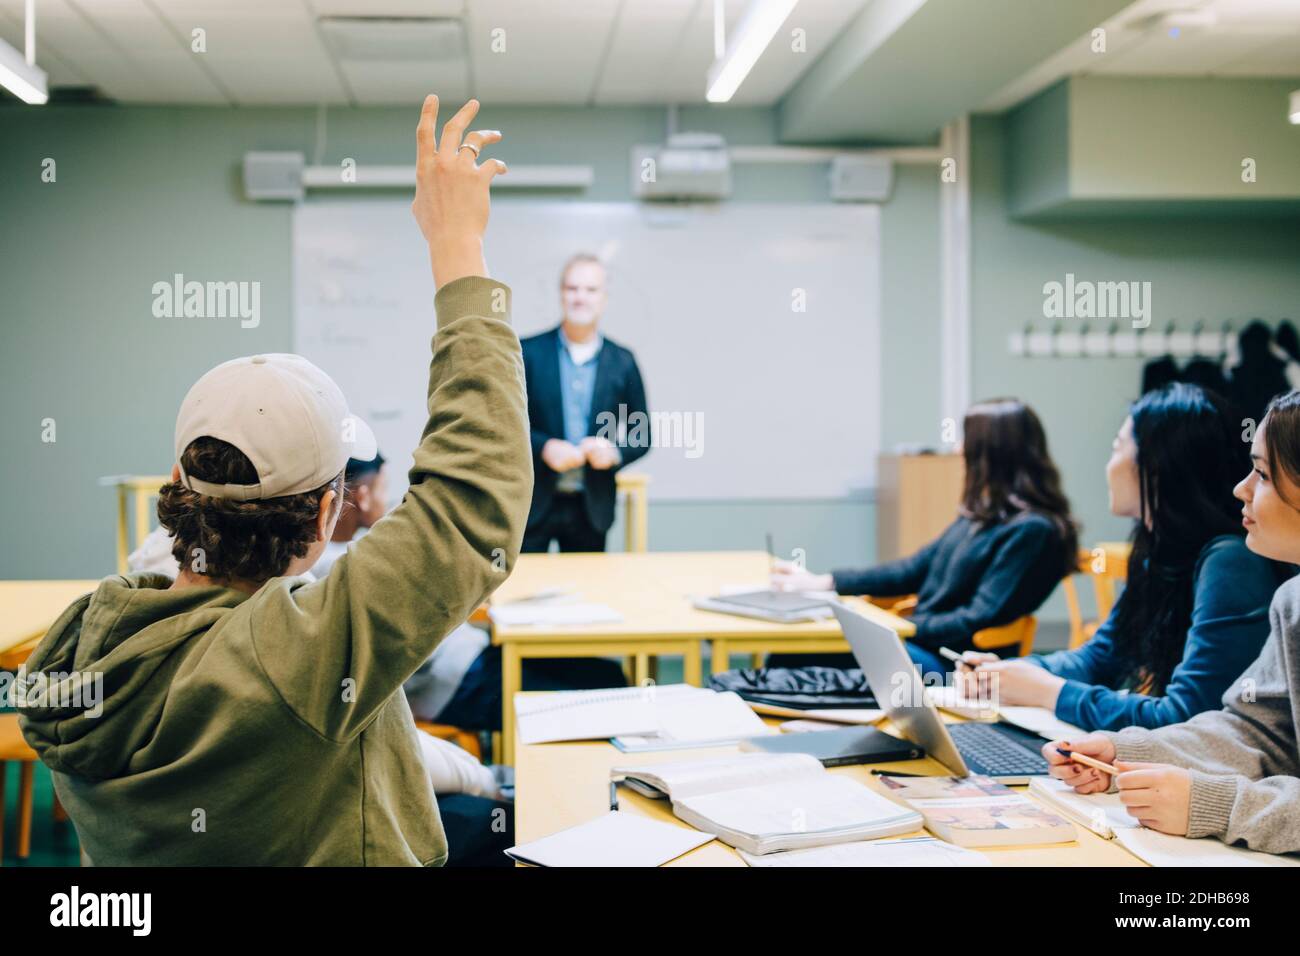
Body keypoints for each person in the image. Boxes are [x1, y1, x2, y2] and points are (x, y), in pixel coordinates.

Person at [18, 95, 529, 865]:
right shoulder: (303, 655)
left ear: (177, 488)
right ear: (328, 515)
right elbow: (474, 500)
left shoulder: (77, 649)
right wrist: (458, 244)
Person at [1042, 390, 1300, 854]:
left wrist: (1219, 805)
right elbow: (1260, 730)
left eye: (1261, 473)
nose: (1241, 488)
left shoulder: (1229, 562)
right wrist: (1128, 753)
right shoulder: (1293, 600)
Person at [959, 384, 1285, 732]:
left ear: (1156, 466)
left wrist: (1049, 692)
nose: (1108, 464)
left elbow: (1186, 717)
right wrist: (1014, 674)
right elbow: (1102, 656)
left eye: (1117, 449)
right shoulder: (1159, 551)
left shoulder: (1230, 561)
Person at [771, 398, 1078, 677]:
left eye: (966, 439)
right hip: (923, 645)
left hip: (957, 663)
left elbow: (976, 618)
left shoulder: (1034, 530)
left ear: (991, 452)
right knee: (789, 657)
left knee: (793, 661)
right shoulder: (981, 516)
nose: (958, 448)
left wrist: (896, 627)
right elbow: (911, 570)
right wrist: (826, 582)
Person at [520, 254, 649, 552]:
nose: (581, 297)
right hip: (532, 504)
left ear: (604, 299)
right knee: (523, 592)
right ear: (561, 294)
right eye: (572, 288)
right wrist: (544, 448)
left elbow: (642, 434)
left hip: (591, 507)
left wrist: (614, 452)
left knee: (586, 593)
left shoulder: (623, 361)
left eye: (591, 290)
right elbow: (502, 425)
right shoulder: (527, 354)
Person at [313, 451, 389, 577]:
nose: (386, 500)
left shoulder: (314, 555)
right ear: (363, 497)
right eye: (383, 489)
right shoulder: (340, 566)